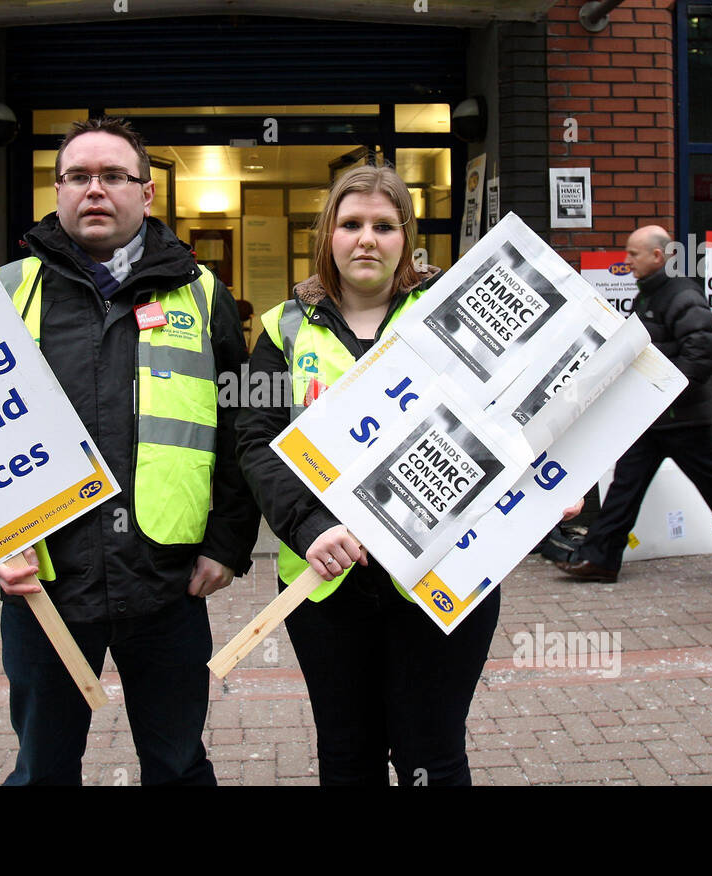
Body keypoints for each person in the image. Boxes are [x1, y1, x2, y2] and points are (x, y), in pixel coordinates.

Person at [237, 164, 576, 785]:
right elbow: (256, 442)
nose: (366, 238)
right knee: (347, 757)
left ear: (406, 238)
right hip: (326, 579)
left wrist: (553, 481)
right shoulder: (283, 329)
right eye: (352, 224)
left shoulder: (453, 312)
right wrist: (309, 524)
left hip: (442, 576)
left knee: (432, 757)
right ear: (328, 236)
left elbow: (529, 405)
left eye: (384, 226)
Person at [0, 117, 260, 784]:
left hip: (164, 582)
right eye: (78, 177)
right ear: (56, 191)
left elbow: (240, 428)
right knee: (41, 770)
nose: (95, 190)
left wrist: (227, 543)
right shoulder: (4, 293)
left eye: (114, 176)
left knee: (176, 764)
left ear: (148, 192)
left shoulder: (202, 295)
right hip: (46, 582)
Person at [555, 225, 712, 585]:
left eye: (634, 254)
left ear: (658, 256)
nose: (627, 261)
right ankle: (600, 559)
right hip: (655, 418)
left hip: (683, 419)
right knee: (625, 486)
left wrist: (664, 391)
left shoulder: (681, 294)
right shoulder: (652, 295)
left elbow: (704, 352)